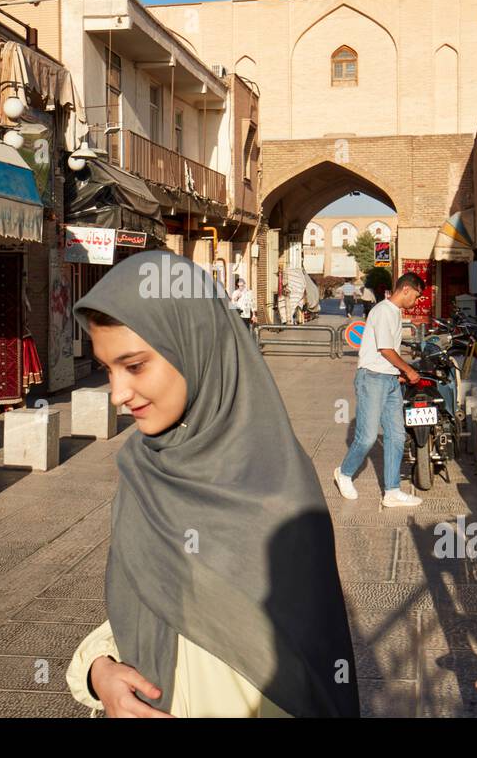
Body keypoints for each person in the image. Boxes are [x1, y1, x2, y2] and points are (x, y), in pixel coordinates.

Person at [64, 250, 360, 718]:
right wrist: (97, 670)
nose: (117, 393)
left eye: (135, 366)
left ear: (196, 345)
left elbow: (303, 677)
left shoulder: (279, 498)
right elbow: (154, 604)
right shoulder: (144, 467)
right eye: (108, 369)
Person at [333, 272, 424, 508]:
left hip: (390, 380)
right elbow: (385, 349)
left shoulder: (394, 312)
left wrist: (399, 374)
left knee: (396, 435)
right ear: (406, 289)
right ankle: (343, 473)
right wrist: (409, 371)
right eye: (416, 295)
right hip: (372, 378)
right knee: (368, 437)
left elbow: (389, 350)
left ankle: (392, 491)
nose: (416, 301)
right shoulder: (383, 311)